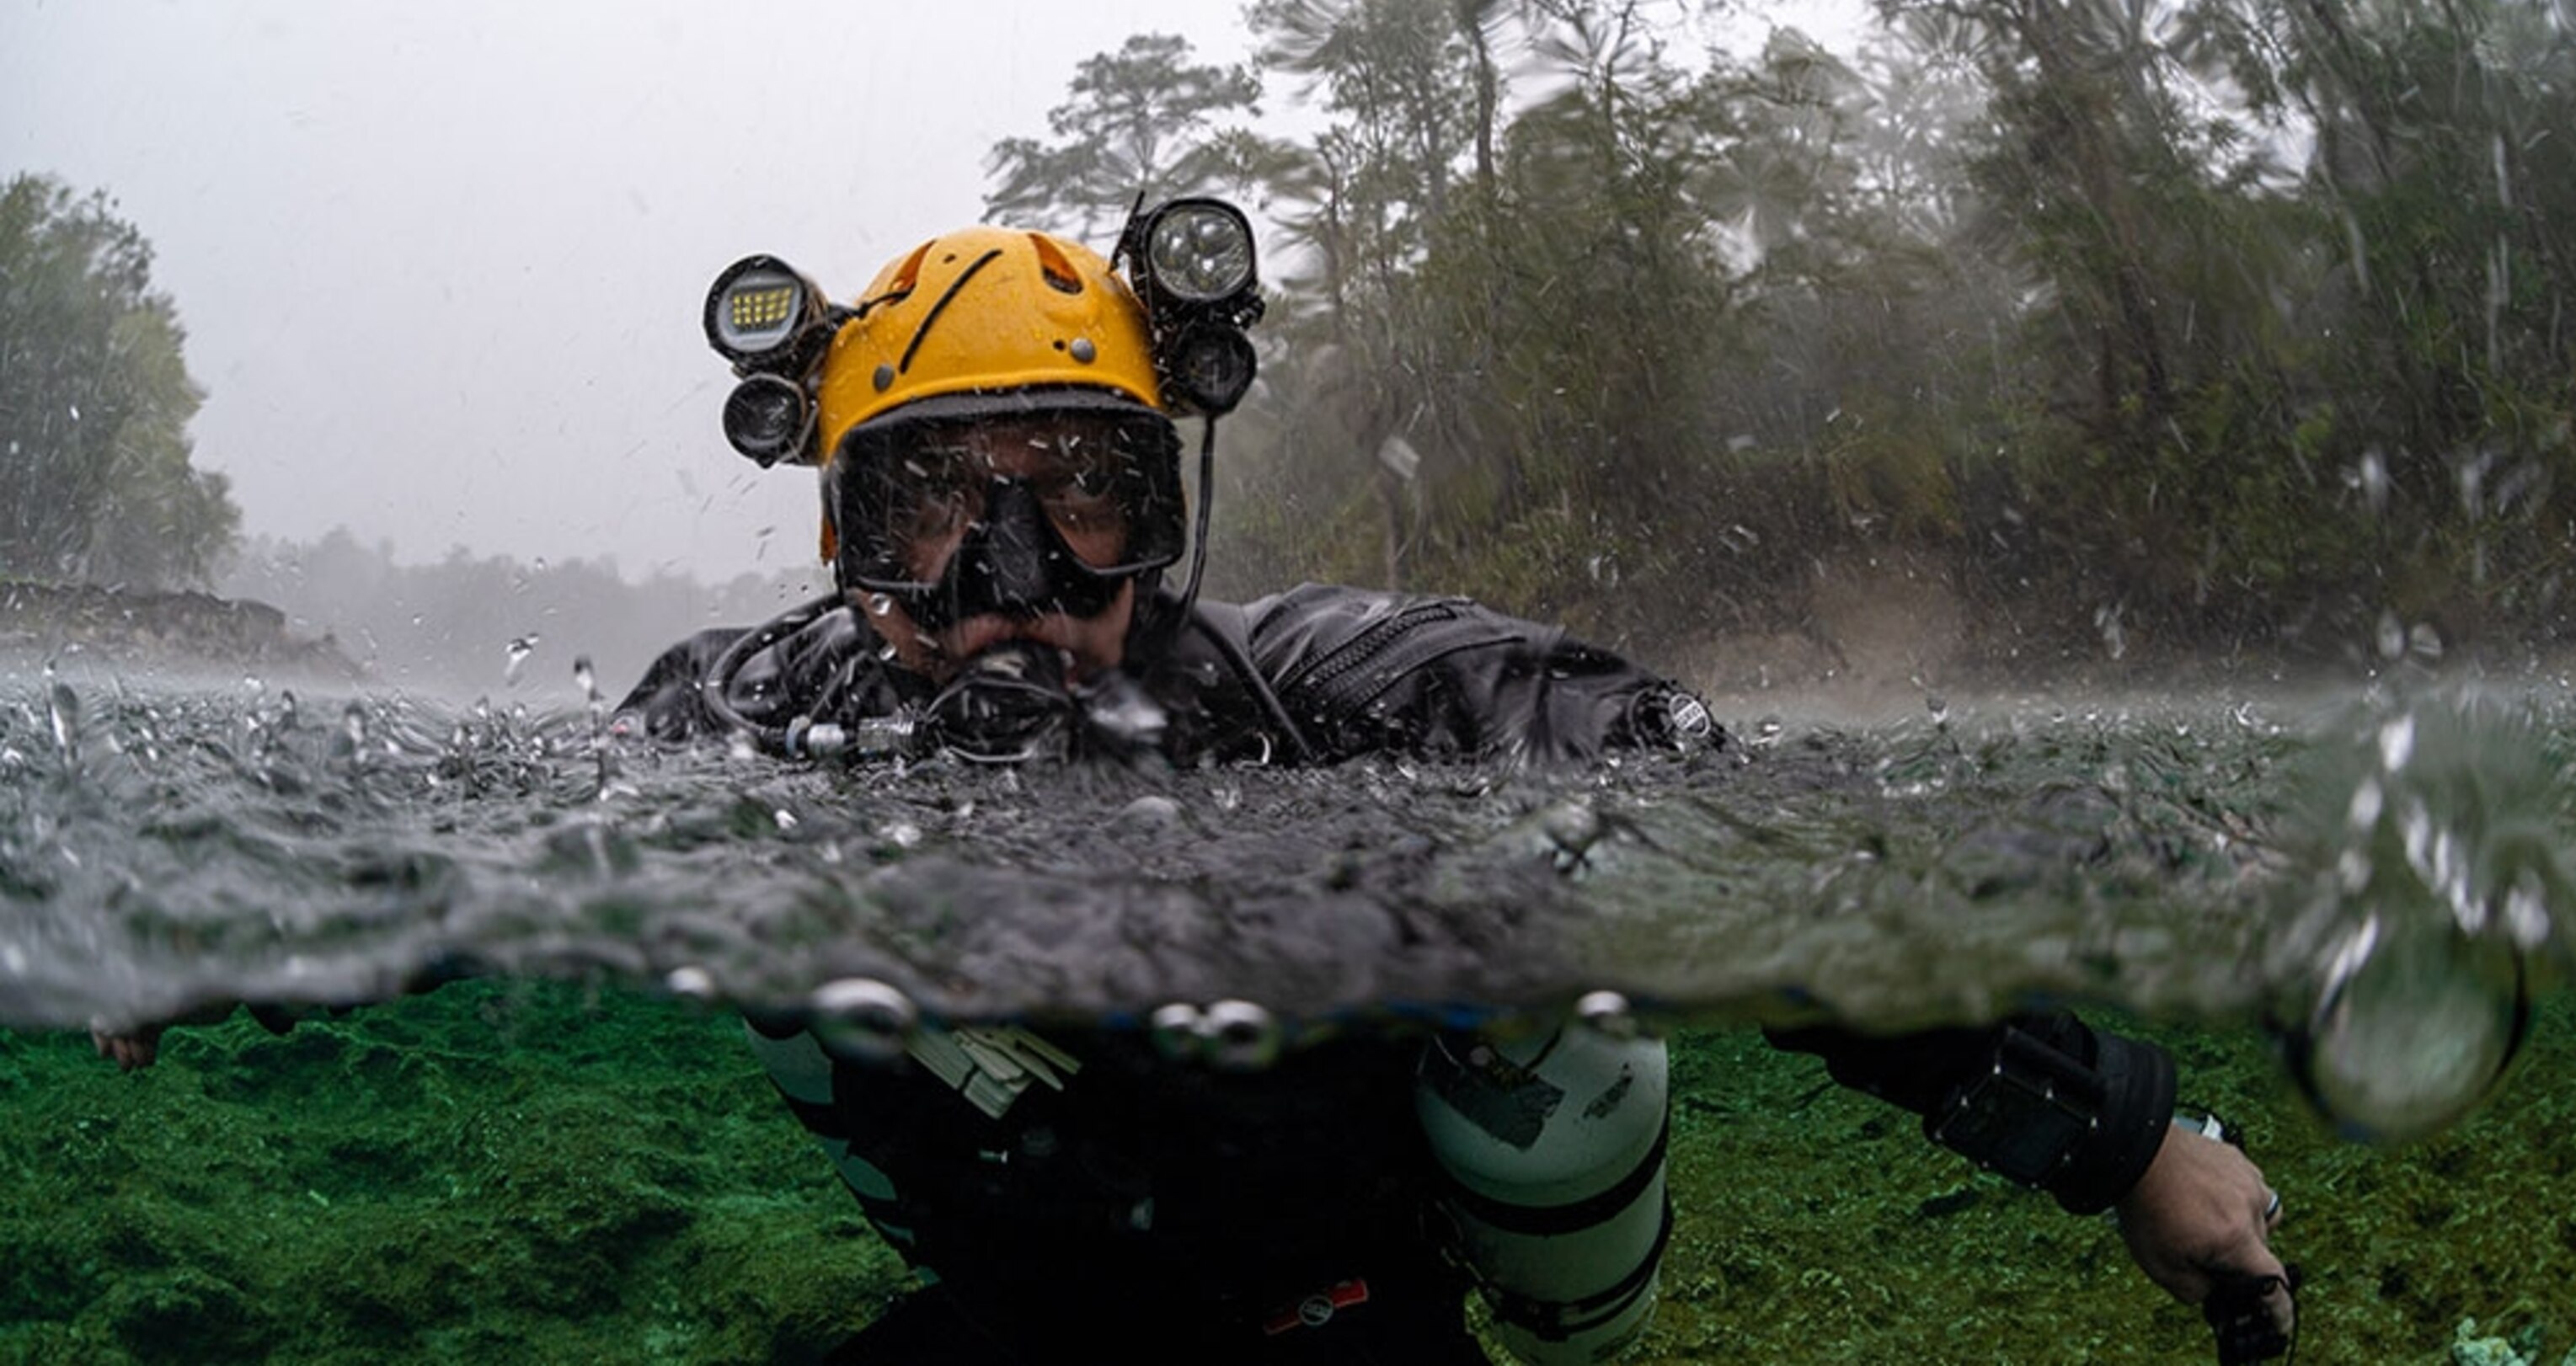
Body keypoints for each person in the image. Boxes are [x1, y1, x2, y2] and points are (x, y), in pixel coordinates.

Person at [606, 204, 2297, 1363]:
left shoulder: (1327, 695)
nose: (1011, 578)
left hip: (1335, 1323)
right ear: (842, 538)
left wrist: (2126, 1136)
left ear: (1164, 518)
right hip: (1011, 1331)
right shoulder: (754, 719)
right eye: (928, 512)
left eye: (1081, 496)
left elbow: (1740, 837)